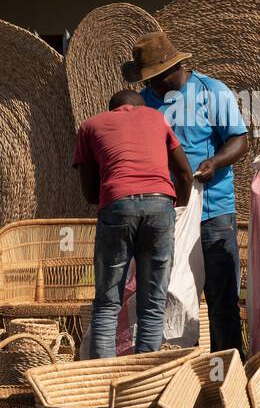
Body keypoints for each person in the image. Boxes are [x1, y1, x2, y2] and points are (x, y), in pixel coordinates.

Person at [126, 32, 250, 358]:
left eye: (156, 79)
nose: (151, 86)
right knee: (169, 296)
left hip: (213, 210)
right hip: (164, 214)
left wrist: (216, 162)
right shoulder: (145, 102)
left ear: (175, 68)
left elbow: (239, 140)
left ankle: (228, 376)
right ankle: (176, 371)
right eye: (147, 80)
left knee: (222, 299)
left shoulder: (213, 92)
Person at [73, 89, 193, 358]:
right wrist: (177, 208)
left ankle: (105, 384)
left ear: (112, 109)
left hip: (117, 205)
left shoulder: (90, 126)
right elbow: (184, 174)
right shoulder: (157, 118)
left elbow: (91, 193)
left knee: (107, 303)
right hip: (160, 206)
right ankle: (144, 383)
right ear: (139, 107)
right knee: (152, 303)